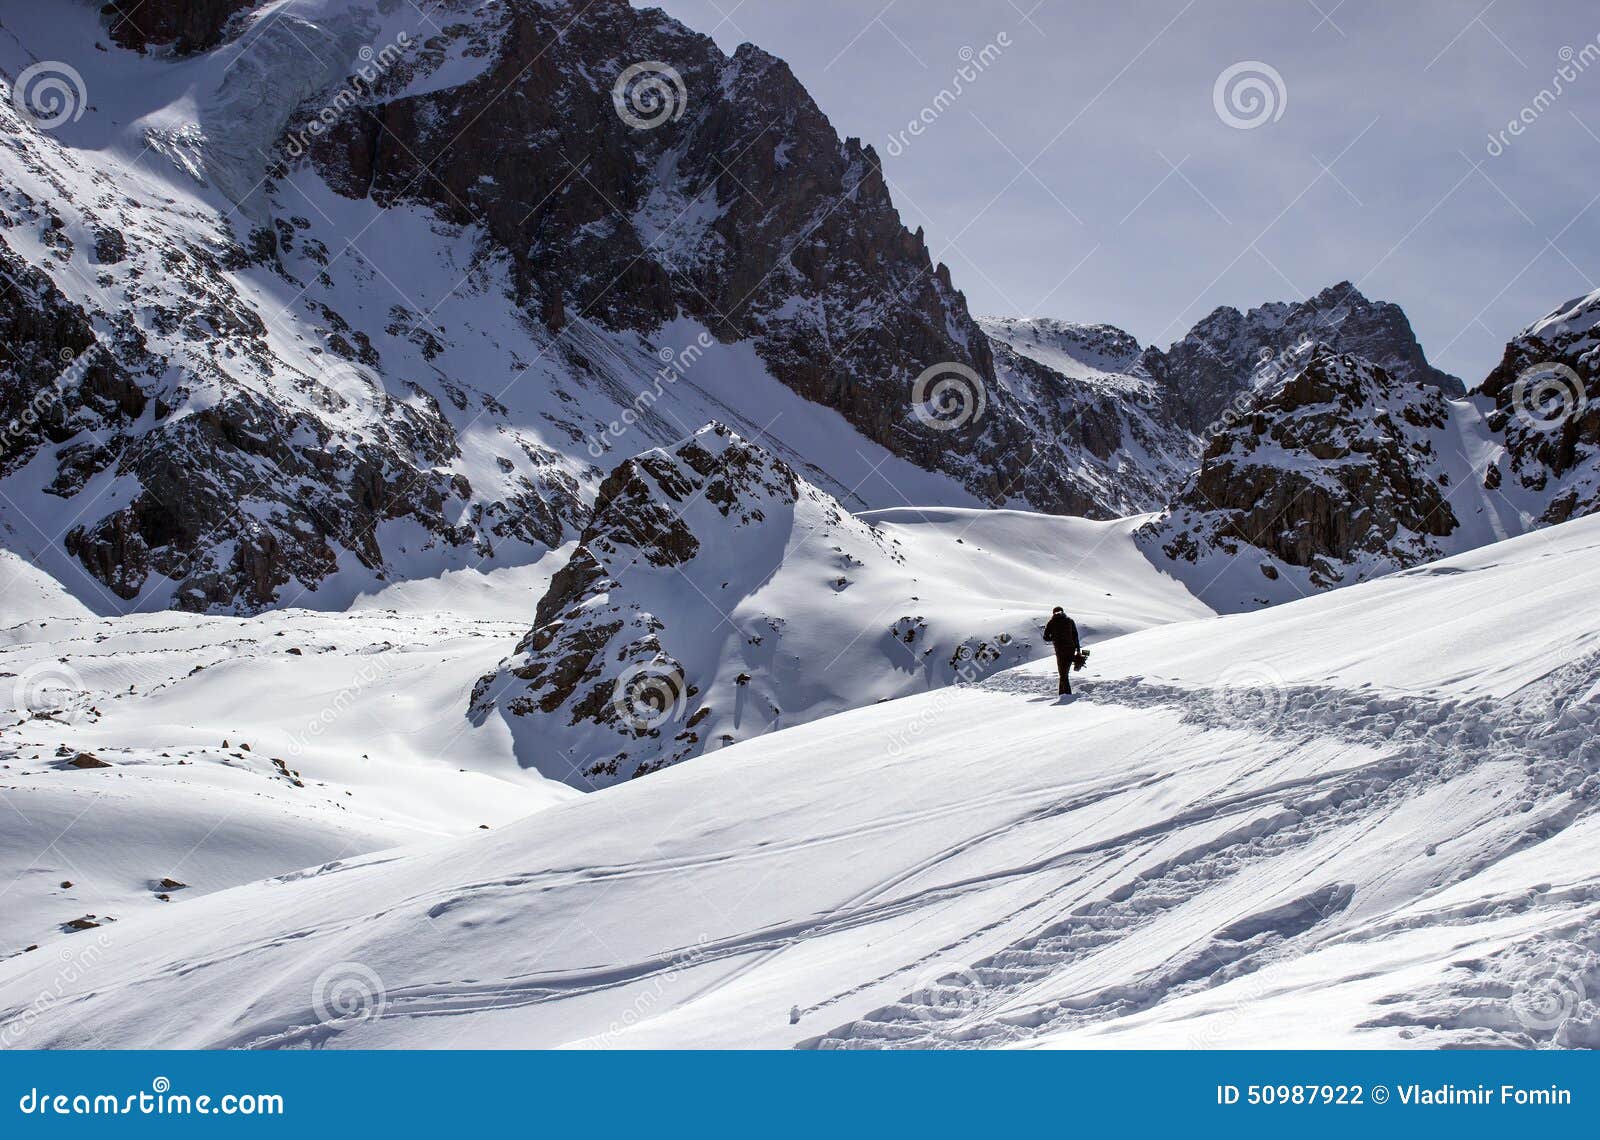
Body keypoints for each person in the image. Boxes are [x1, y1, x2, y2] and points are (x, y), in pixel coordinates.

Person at [1042, 606, 1080, 696]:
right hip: (1071, 649)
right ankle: (1062, 693)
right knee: (1064, 673)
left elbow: (1046, 637)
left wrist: (1054, 638)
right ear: (1063, 612)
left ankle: (1067, 695)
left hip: (1060, 650)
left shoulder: (1051, 622)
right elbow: (1075, 636)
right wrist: (1078, 650)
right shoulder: (1070, 621)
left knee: (1063, 673)